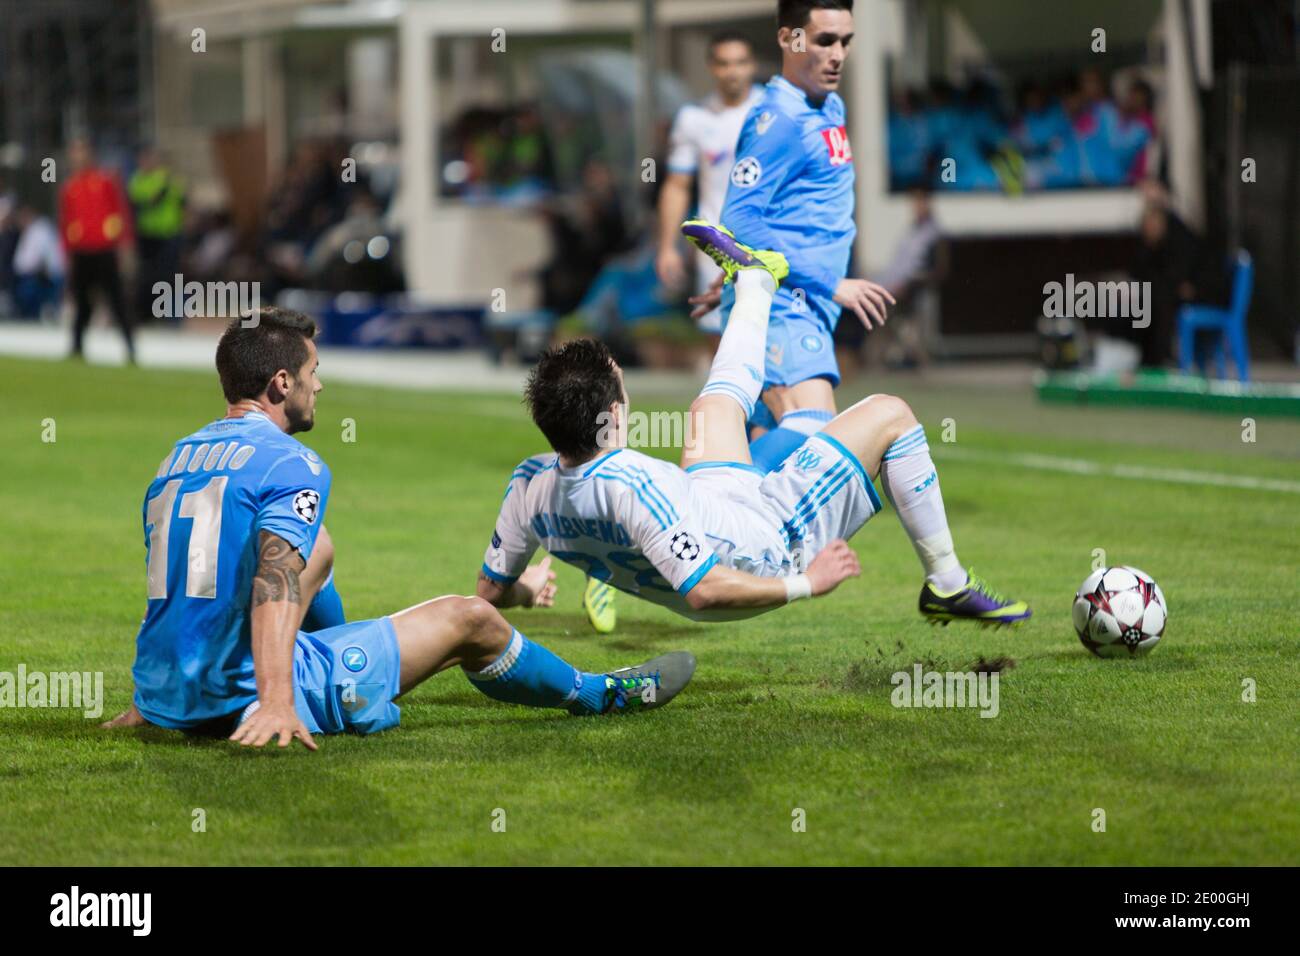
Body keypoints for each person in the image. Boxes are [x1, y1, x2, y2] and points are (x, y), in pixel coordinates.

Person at [102, 307, 694, 749]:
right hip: (244, 695)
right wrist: (279, 702)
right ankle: (601, 694)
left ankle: (343, 663)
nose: (320, 385)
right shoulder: (292, 462)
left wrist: (148, 701)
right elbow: (274, 578)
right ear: (282, 383)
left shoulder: (176, 458)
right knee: (472, 620)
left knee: (321, 546)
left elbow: (176, 582)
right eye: (313, 371)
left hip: (172, 694)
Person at [478, 223, 1030, 628]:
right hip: (762, 548)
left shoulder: (528, 486)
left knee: (711, 413)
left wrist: (524, 589)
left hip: (712, 504)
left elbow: (489, 591)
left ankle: (755, 281)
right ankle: (948, 584)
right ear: (615, 415)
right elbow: (706, 592)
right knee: (890, 414)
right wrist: (805, 582)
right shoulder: (634, 486)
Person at [693, 0, 896, 476]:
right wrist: (831, 282)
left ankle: (737, 544)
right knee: (815, 428)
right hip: (789, 304)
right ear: (789, 39)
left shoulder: (828, 103)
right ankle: (698, 521)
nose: (838, 54)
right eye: (825, 40)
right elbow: (740, 218)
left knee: (770, 452)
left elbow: (791, 212)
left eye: (846, 41)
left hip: (794, 303)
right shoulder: (779, 120)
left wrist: (734, 279)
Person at [59, 138, 136, 362]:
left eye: (81, 151)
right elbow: (66, 222)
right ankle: (76, 346)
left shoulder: (104, 182)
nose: (77, 157)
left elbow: (120, 214)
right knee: (82, 302)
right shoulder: (70, 187)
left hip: (104, 250)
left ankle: (130, 347)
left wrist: (124, 246)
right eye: (74, 152)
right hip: (82, 251)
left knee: (117, 300)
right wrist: (67, 252)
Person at [127, 145, 186, 324]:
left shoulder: (166, 177)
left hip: (168, 234)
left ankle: (173, 316)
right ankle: (150, 313)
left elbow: (181, 200)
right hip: (147, 236)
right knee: (149, 276)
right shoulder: (137, 179)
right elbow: (142, 201)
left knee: (171, 276)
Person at [11, 203, 66, 319]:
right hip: (39, 275)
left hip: (44, 278)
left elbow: (36, 260)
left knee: (28, 295)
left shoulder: (40, 230)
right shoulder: (33, 230)